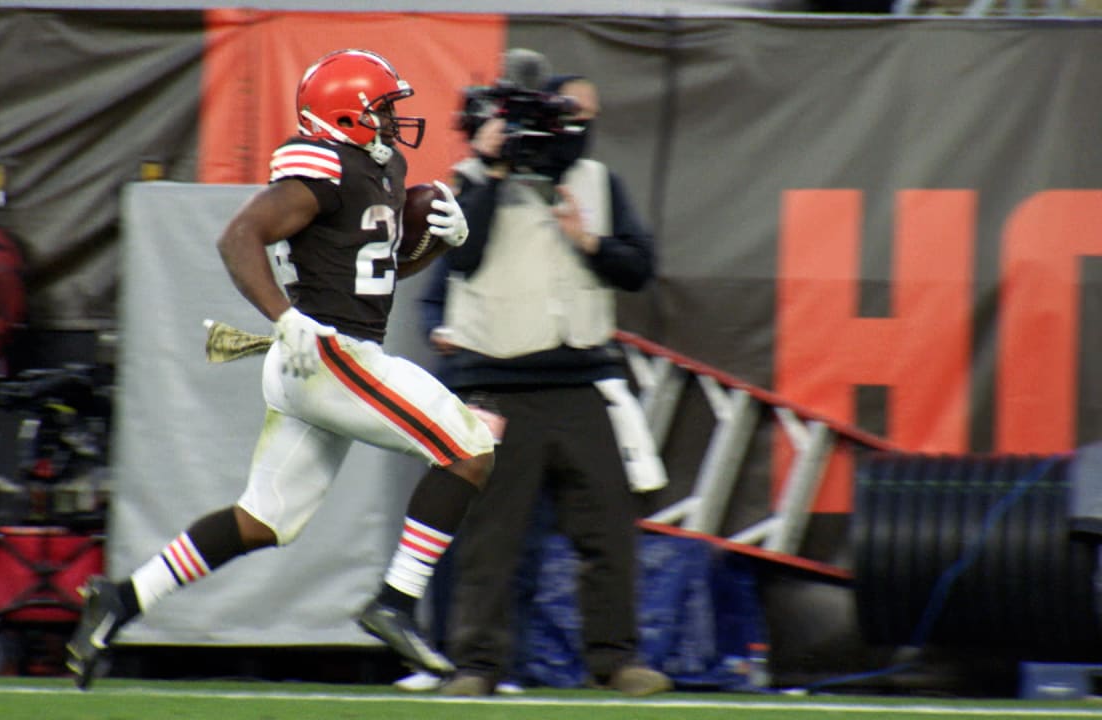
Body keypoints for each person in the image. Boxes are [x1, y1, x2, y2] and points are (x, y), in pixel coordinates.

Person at [65, 48, 494, 690]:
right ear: (345, 117)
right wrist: (285, 316)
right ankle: (396, 603)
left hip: (329, 358)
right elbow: (240, 235)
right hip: (328, 356)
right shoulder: (317, 170)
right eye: (381, 110)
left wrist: (436, 244)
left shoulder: (384, 167)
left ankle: (121, 599)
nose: (392, 122)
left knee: (263, 520)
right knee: (470, 448)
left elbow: (375, 273)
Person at [430, 65, 673, 697]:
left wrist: (588, 241)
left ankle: (617, 660)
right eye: (567, 112)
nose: (574, 127)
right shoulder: (468, 181)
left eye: (583, 116)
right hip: (495, 384)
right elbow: (462, 254)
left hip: (582, 380)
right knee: (491, 536)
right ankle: (477, 665)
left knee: (608, 527)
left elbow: (639, 268)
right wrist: (490, 168)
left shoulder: (598, 181)